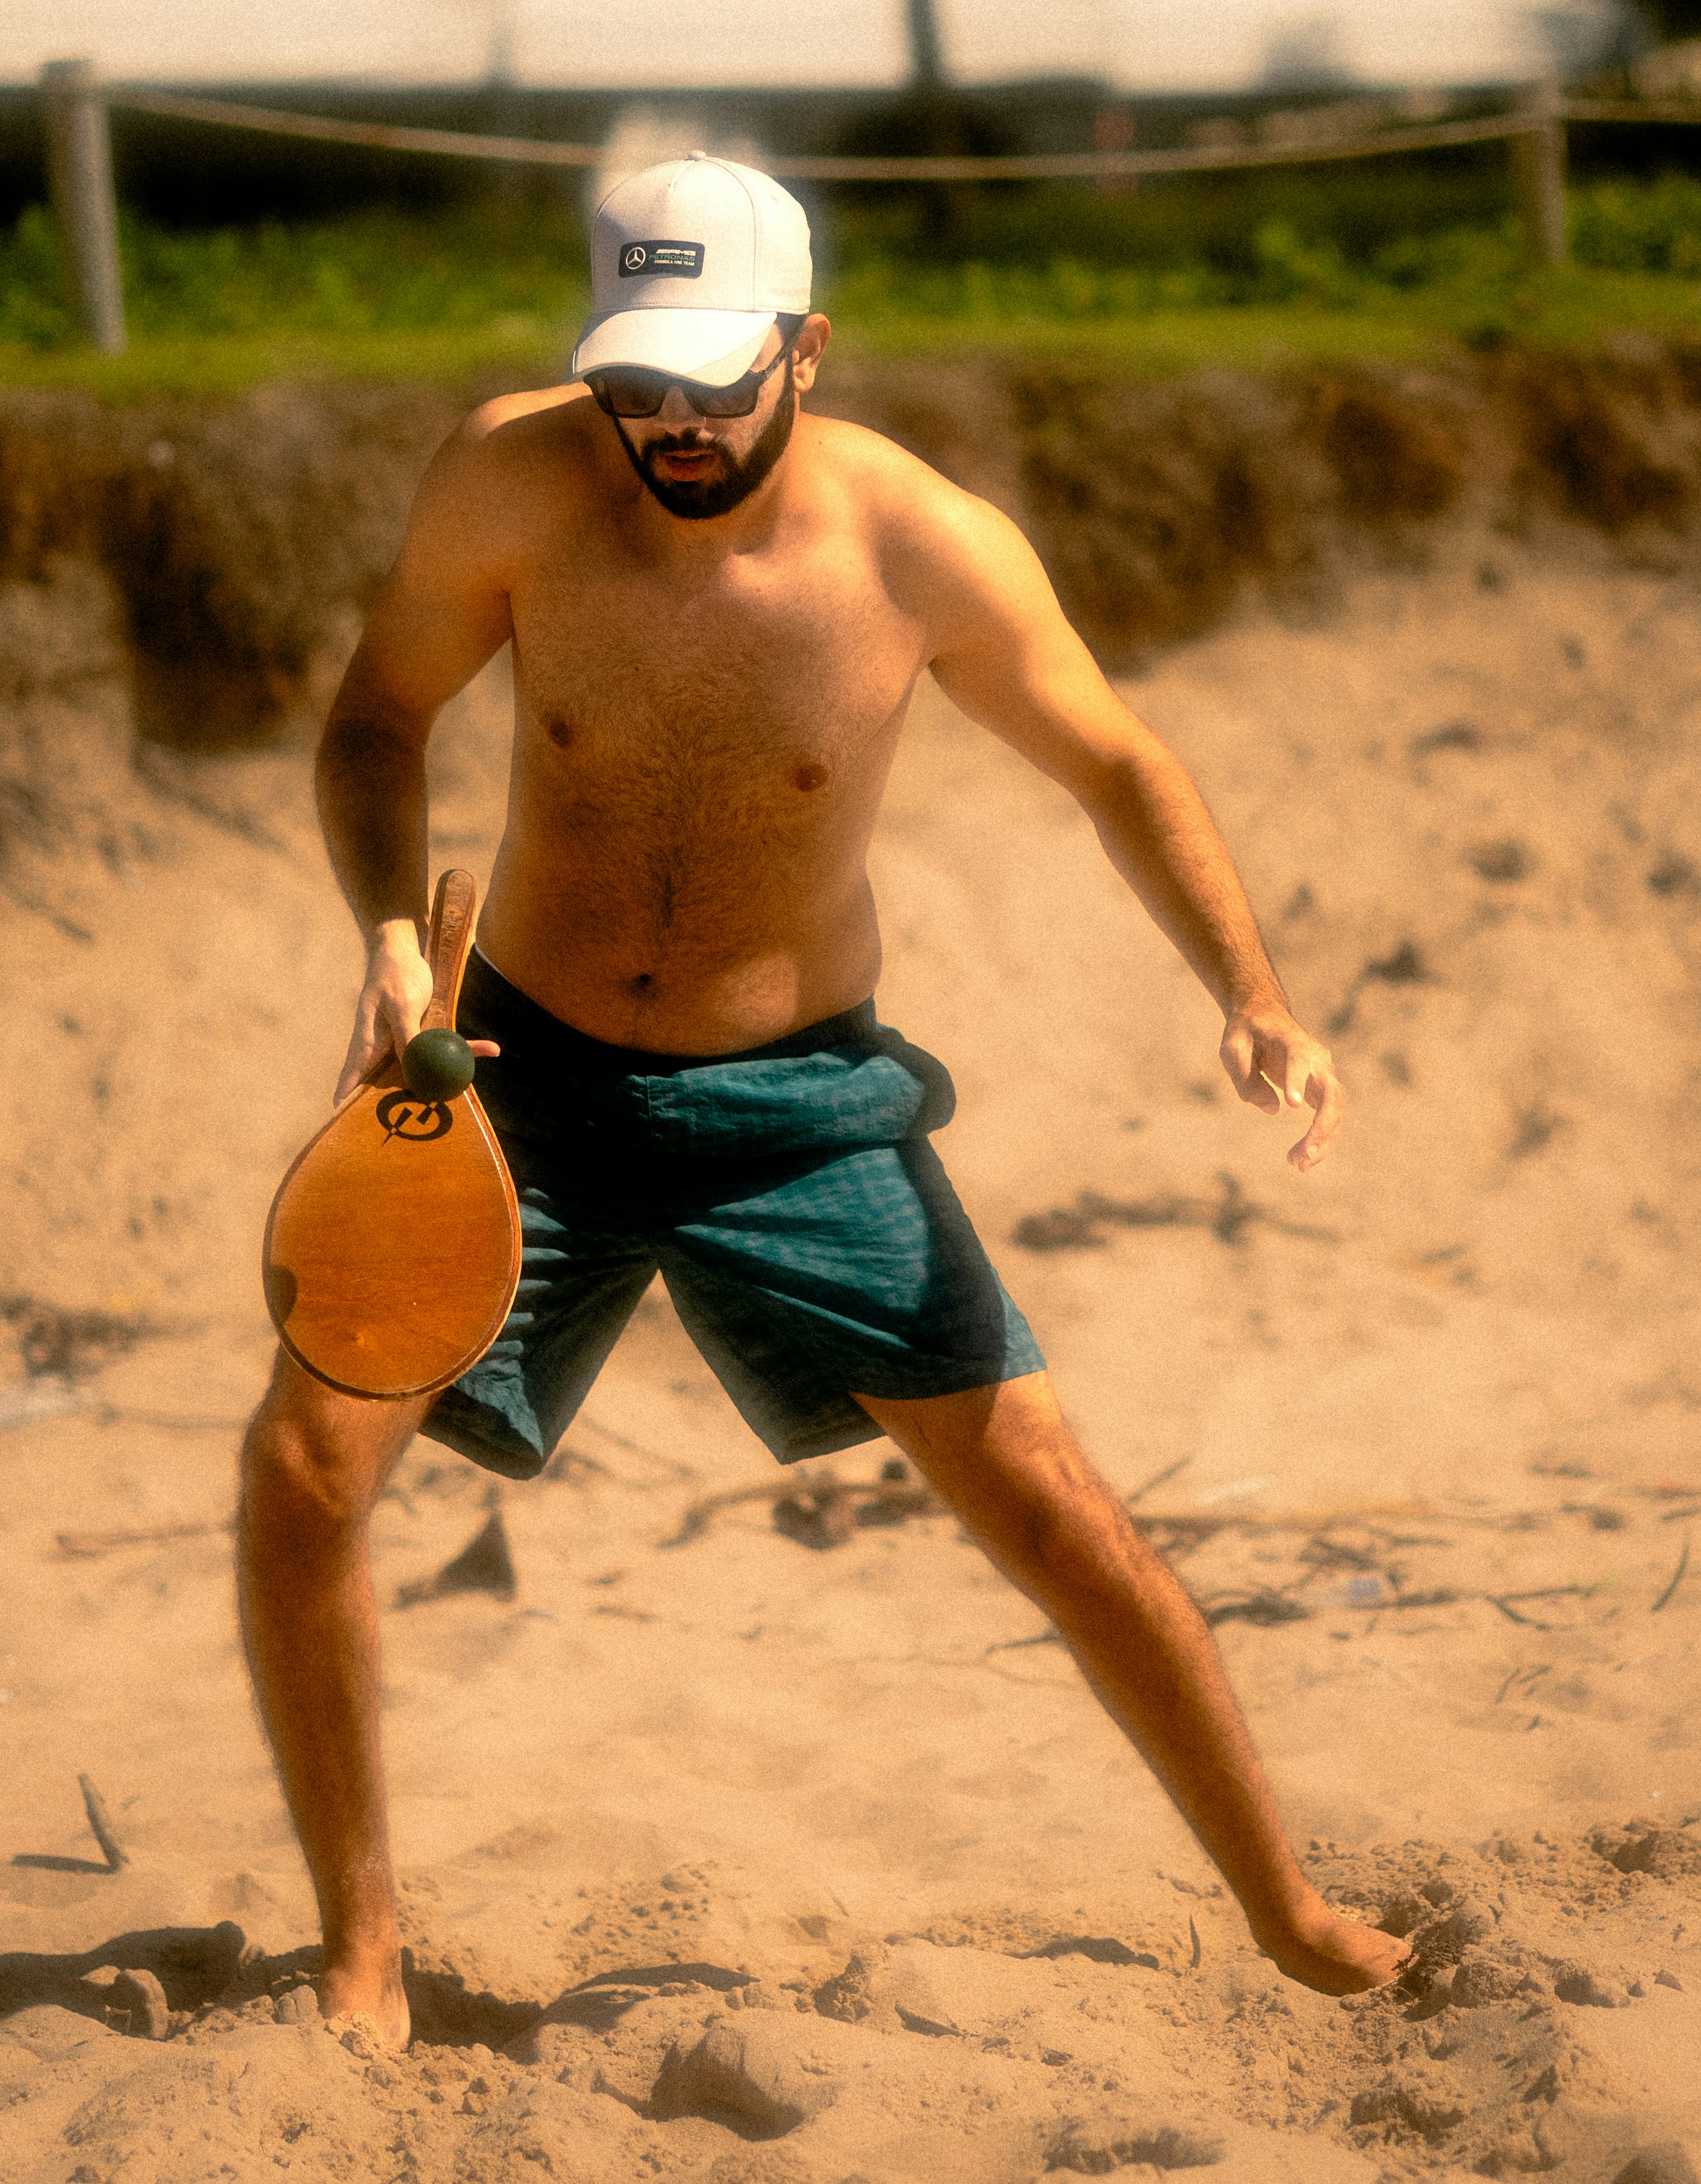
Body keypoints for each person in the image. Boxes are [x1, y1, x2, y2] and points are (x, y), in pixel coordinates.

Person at [238, 155, 1409, 2048]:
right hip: (520, 1076)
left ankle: (1291, 1910)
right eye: (639, 384)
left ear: (811, 345)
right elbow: (378, 716)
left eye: (715, 382)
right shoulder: (513, 480)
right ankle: (363, 1948)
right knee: (304, 1472)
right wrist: (386, 930)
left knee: (1051, 1506)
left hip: (798, 1104)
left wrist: (1252, 994)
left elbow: (1115, 760)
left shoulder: (920, 543)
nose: (672, 428)